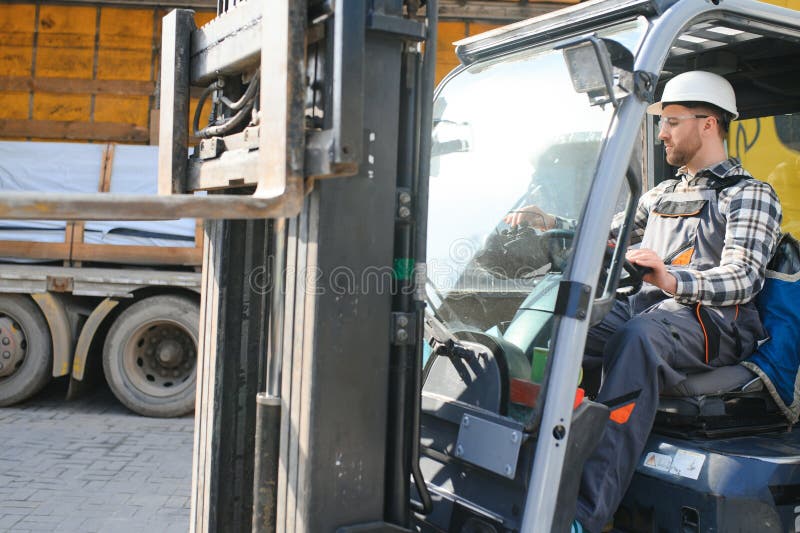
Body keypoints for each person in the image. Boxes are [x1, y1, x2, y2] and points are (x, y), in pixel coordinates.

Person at [508, 70, 783, 533]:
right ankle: (526, 465)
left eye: (672, 121)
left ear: (708, 124)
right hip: (655, 310)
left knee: (638, 338)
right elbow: (605, 233)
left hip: (715, 323)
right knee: (565, 318)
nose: (661, 133)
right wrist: (549, 223)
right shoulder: (662, 194)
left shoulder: (749, 194)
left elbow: (743, 277)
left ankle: (583, 515)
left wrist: (671, 278)